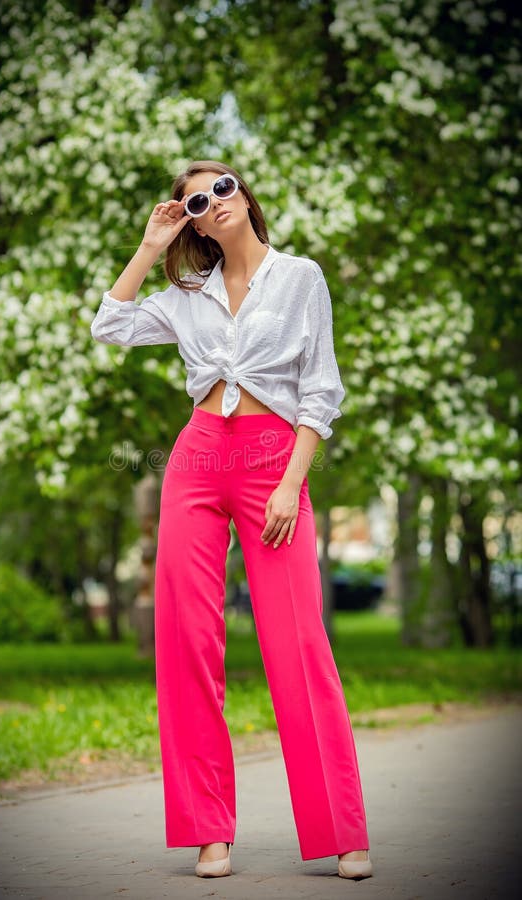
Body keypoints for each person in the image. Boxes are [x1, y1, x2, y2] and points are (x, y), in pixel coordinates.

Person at [90, 160, 373, 880]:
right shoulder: (187, 294)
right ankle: (209, 831)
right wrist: (153, 245)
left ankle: (344, 832)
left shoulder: (300, 276)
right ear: (190, 217)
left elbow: (322, 387)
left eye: (222, 188)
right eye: (195, 199)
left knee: (298, 644)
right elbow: (109, 324)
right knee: (186, 639)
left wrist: (290, 484)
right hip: (196, 462)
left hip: (275, 462)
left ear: (244, 195)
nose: (211, 202)